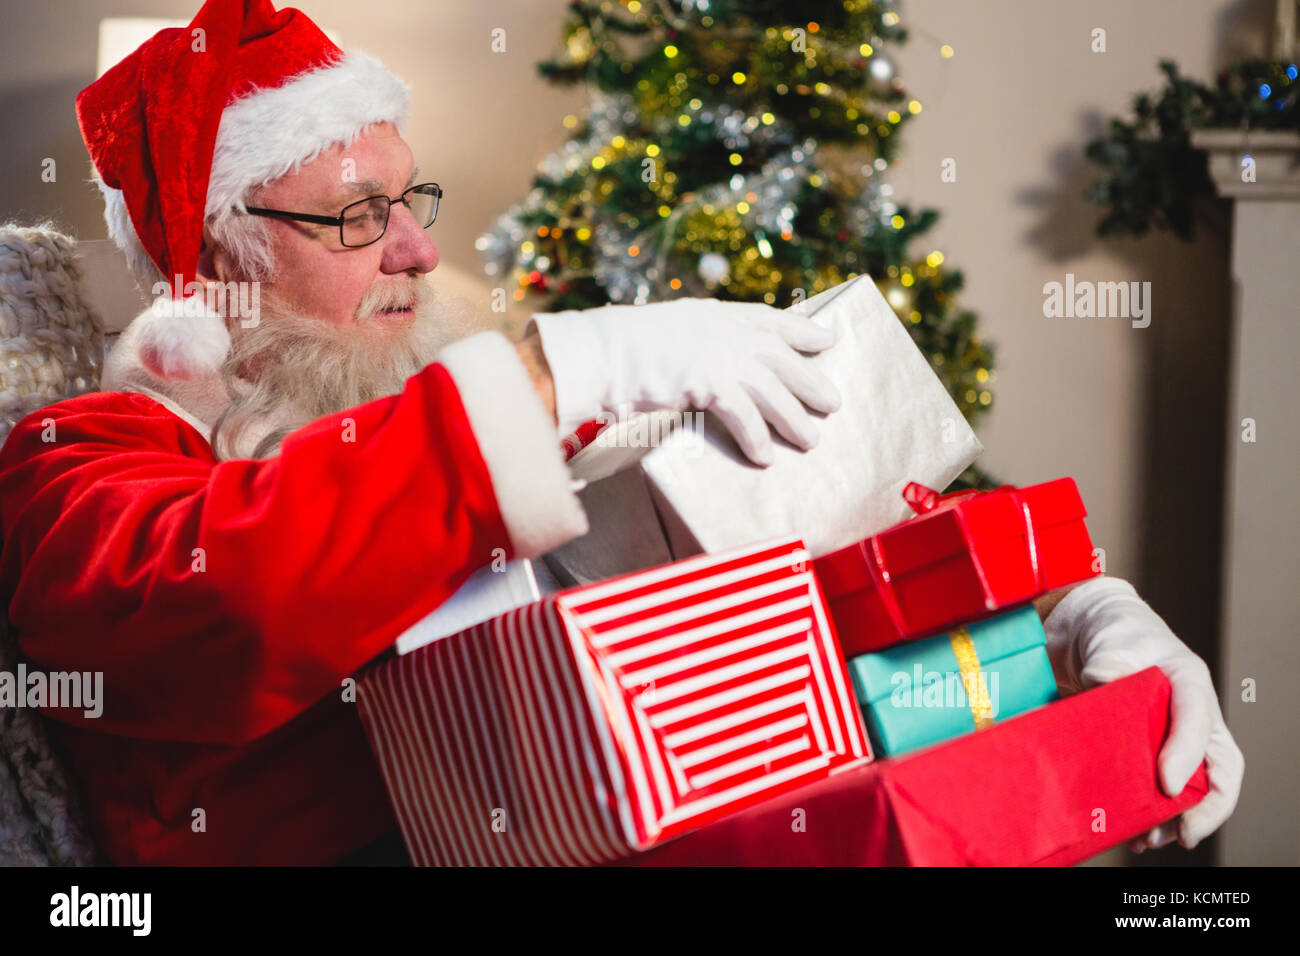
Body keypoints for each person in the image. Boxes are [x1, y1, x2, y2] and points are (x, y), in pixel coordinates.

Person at [0, 0, 1240, 865]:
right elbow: (235, 594)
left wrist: (1064, 620)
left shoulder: (434, 414)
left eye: (410, 197)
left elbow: (789, 533)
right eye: (357, 215)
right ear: (221, 253)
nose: (421, 249)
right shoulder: (87, 451)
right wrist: (563, 365)